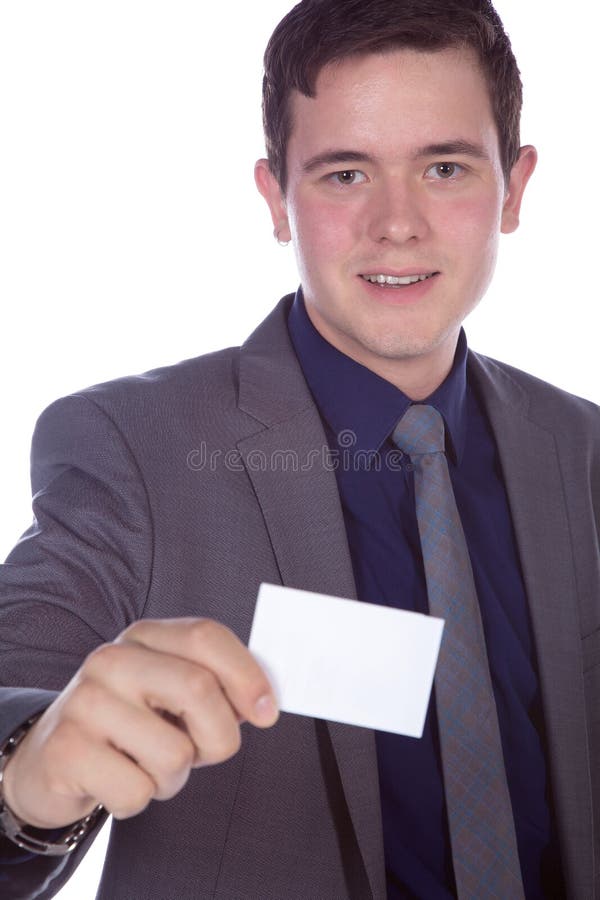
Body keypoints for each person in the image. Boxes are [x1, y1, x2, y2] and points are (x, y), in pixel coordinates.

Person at [0, 0, 598, 897]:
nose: (397, 224)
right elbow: (19, 685)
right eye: (345, 174)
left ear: (514, 189)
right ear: (275, 200)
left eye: (444, 167)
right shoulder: (133, 447)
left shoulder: (582, 450)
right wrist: (25, 776)